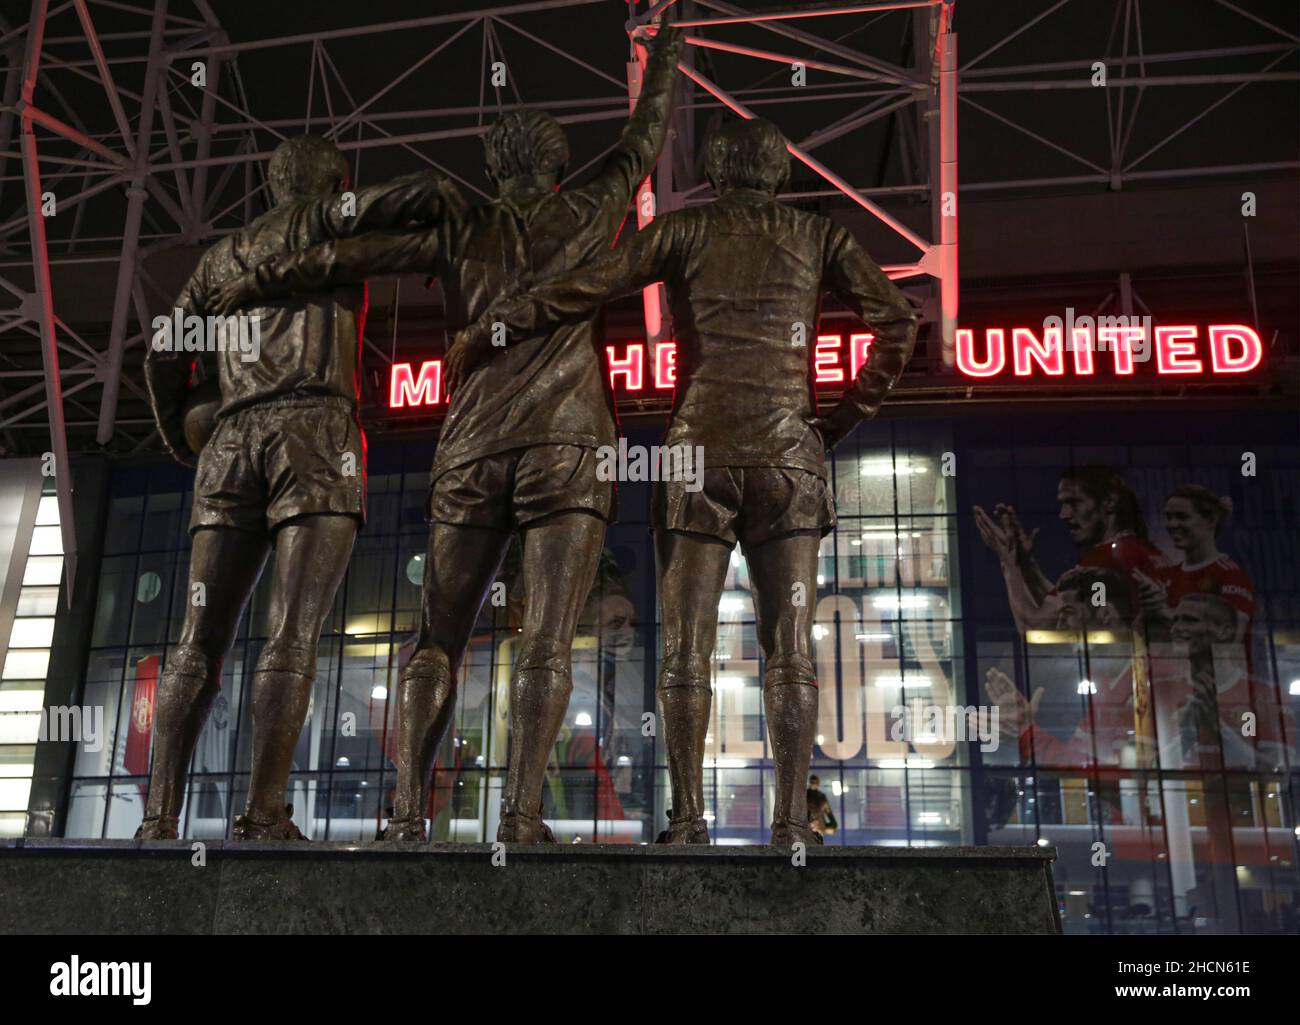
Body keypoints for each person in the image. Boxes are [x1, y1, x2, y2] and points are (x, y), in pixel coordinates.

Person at [211, 25, 684, 842]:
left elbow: (352, 255)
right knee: (546, 641)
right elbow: (643, 140)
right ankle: (522, 815)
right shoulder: (589, 208)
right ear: (557, 164)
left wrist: (262, 276)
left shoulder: (464, 228)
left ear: (495, 166)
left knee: (437, 637)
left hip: (469, 447)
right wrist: (666, 57)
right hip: (567, 445)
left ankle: (405, 813)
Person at [453, 117, 918, 845]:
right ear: (778, 173)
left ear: (713, 173)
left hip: (696, 457)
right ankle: (791, 823)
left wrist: (496, 324)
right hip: (788, 460)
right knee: (790, 650)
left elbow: (586, 285)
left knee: (686, 649)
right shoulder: (819, 236)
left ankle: (688, 819)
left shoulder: (683, 230)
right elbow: (898, 320)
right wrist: (837, 420)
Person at [140, 136, 464, 841]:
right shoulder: (327, 221)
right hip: (314, 431)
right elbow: (425, 193)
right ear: (335, 184)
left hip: (230, 439)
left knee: (197, 636)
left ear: (271, 184)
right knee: (292, 631)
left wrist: (181, 435)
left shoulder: (219, 258)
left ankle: (158, 818)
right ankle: (262, 813)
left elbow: (162, 352)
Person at [975, 464, 1172, 636]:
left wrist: (1007, 561)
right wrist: (1026, 563)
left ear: (1109, 502)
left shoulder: (1105, 559)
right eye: (1062, 504)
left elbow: (1033, 630)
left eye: (1073, 502)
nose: (1064, 514)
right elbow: (1066, 605)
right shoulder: (1140, 550)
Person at [1156, 485, 1256, 647]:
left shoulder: (1230, 576)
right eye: (1169, 517)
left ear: (1211, 521)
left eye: (1182, 517)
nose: (1172, 524)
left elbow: (1231, 642)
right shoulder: (1169, 576)